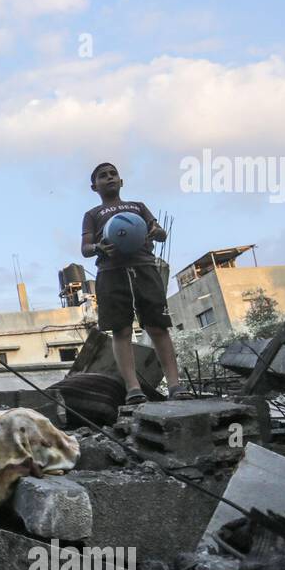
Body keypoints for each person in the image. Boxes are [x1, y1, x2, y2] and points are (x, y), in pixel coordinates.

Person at [80, 162, 191, 404]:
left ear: (121, 181)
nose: (109, 178)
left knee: (158, 326)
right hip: (111, 273)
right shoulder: (92, 215)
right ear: (94, 186)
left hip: (144, 268)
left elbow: (160, 233)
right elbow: (85, 249)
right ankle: (133, 388)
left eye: (113, 174)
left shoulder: (138, 207)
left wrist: (156, 232)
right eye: (102, 176)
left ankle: (175, 385)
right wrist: (98, 247)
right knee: (121, 330)